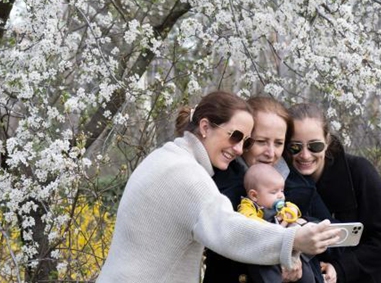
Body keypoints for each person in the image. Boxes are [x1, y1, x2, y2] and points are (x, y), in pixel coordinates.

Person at [96, 91, 341, 282]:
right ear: (205, 127)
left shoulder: (165, 157)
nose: (237, 149)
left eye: (245, 142)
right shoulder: (186, 174)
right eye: (235, 136)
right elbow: (229, 230)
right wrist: (293, 239)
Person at [203, 96, 332, 283]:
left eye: (278, 143)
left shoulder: (298, 182)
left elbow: (330, 233)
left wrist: (302, 227)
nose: (271, 153)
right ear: (245, 141)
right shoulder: (220, 186)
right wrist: (285, 246)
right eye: (261, 142)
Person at [288, 103, 381, 283]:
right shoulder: (277, 181)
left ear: (327, 141)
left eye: (314, 146)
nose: (305, 155)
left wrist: (341, 268)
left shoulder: (358, 171)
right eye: (295, 147)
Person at [238, 163, 317, 283]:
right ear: (254, 195)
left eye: (282, 190)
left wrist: (291, 212)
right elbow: (248, 220)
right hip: (264, 250)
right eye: (274, 192)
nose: (280, 195)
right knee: (268, 274)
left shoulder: (280, 206)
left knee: (307, 275)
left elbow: (293, 207)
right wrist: (272, 228)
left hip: (288, 248)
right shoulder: (248, 206)